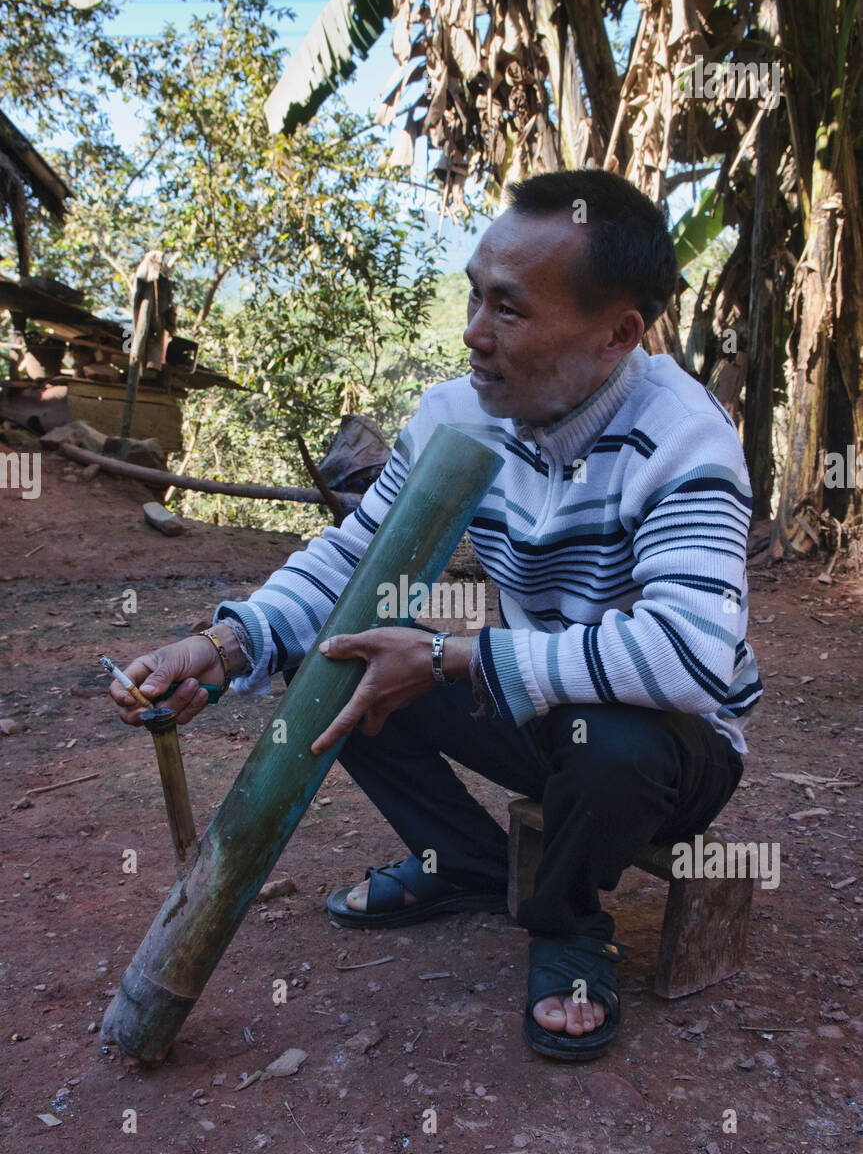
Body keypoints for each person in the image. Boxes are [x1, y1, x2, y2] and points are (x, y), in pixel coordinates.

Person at [110, 169, 761, 1063]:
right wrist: (227, 643)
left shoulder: (687, 439)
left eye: (509, 309)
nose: (473, 334)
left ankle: (567, 925)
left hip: (670, 748)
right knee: (340, 658)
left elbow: (688, 658)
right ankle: (459, 861)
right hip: (541, 702)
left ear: (617, 335)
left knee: (612, 741)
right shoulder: (462, 415)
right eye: (472, 299)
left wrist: (454, 656)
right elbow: (358, 558)